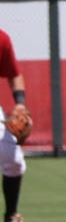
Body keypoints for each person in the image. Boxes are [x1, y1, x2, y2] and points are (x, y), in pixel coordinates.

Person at [0, 29, 27, 222]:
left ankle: (11, 214)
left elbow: (14, 74)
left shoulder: (1, 39)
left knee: (14, 159)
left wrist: (19, 104)